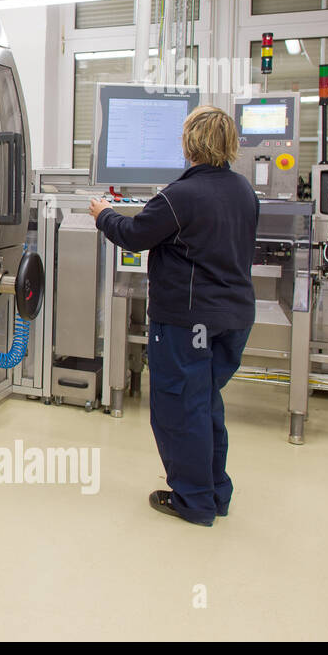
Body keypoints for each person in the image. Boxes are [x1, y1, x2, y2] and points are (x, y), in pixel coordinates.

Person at [89, 105, 258, 527]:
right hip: (234, 317)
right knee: (204, 404)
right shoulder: (243, 190)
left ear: (190, 143)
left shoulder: (179, 196)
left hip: (188, 320)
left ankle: (193, 502)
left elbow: (133, 235)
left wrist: (103, 214)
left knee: (180, 408)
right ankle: (216, 492)